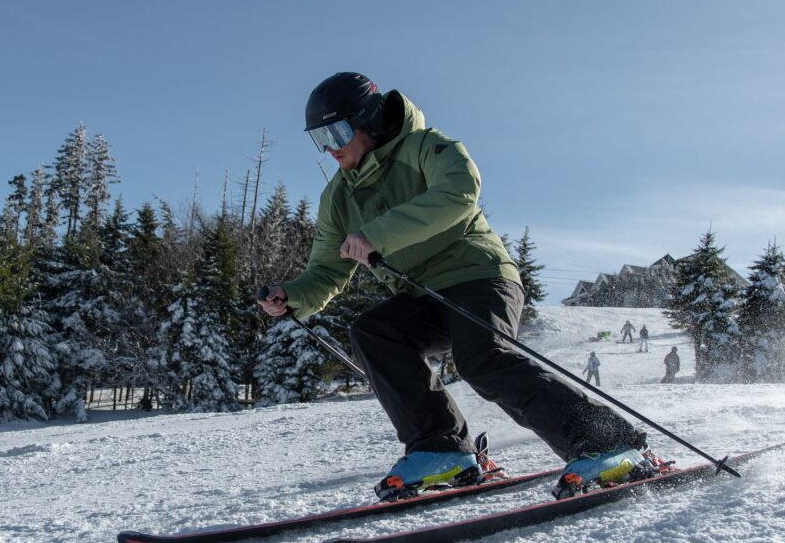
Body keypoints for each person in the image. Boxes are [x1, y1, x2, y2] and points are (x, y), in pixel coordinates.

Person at [257, 72, 648, 500]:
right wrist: (292, 295)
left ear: (367, 120)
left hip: (480, 276)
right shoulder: (339, 197)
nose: (330, 148)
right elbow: (327, 271)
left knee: (481, 359)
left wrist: (377, 235)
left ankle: (606, 441)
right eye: (320, 139)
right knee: (373, 331)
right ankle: (440, 448)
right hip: (421, 295)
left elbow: (459, 192)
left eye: (336, 132)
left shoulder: (425, 147)